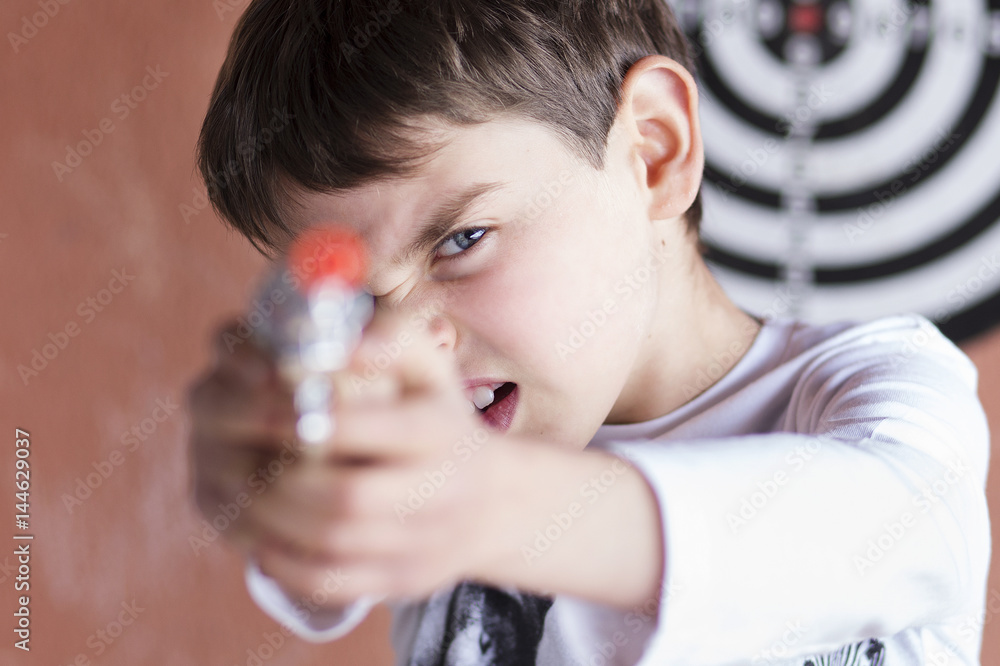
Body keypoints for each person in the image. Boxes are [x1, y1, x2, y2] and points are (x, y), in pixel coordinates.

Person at [187, 1, 992, 664]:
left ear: (652, 151)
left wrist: (478, 502)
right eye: (357, 302)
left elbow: (893, 531)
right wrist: (278, 475)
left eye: (462, 241)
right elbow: (322, 566)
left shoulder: (875, 390)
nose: (402, 342)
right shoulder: (463, 432)